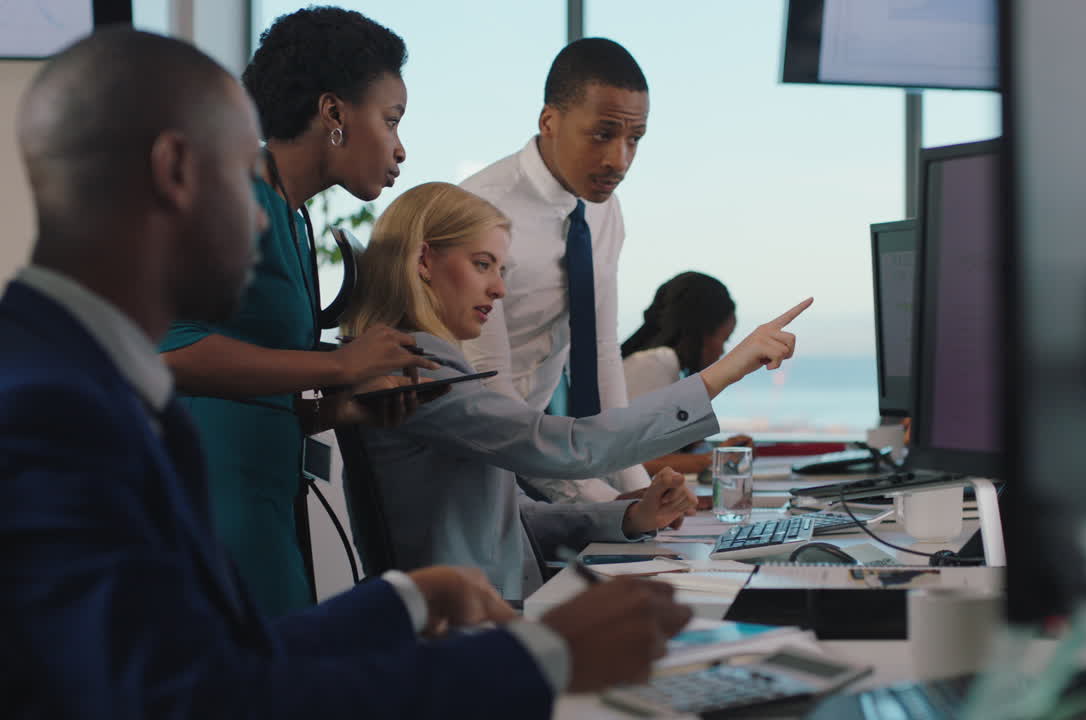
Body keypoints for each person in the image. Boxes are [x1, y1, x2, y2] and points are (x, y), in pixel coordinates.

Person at [1, 29, 693, 718]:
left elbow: (227, 655)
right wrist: (545, 658)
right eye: (244, 172)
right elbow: (197, 701)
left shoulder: (82, 388)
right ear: (176, 171)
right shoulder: (46, 419)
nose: (263, 209)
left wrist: (404, 601)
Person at [342, 182, 811, 600]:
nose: (500, 289)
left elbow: (517, 520)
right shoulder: (416, 368)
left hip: (496, 606)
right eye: (483, 264)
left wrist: (630, 518)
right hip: (462, 624)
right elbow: (571, 447)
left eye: (501, 269)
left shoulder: (435, 362)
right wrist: (722, 374)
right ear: (424, 261)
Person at [158, 7, 433, 617]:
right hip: (214, 504)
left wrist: (342, 407)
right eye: (391, 121)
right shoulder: (232, 194)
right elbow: (171, 351)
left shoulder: (293, 213)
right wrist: (338, 367)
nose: (400, 148)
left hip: (265, 496)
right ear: (334, 113)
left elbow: (255, 391)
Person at [460, 38, 653, 503]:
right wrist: (596, 498)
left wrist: (640, 490)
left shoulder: (605, 211)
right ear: (550, 121)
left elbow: (602, 351)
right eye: (603, 134)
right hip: (466, 455)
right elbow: (488, 384)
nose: (619, 161)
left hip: (538, 448)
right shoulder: (480, 209)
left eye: (634, 139)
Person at [622, 271, 754, 476]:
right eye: (724, 339)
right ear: (703, 331)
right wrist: (718, 459)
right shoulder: (653, 364)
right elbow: (633, 463)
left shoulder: (665, 366)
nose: (722, 351)